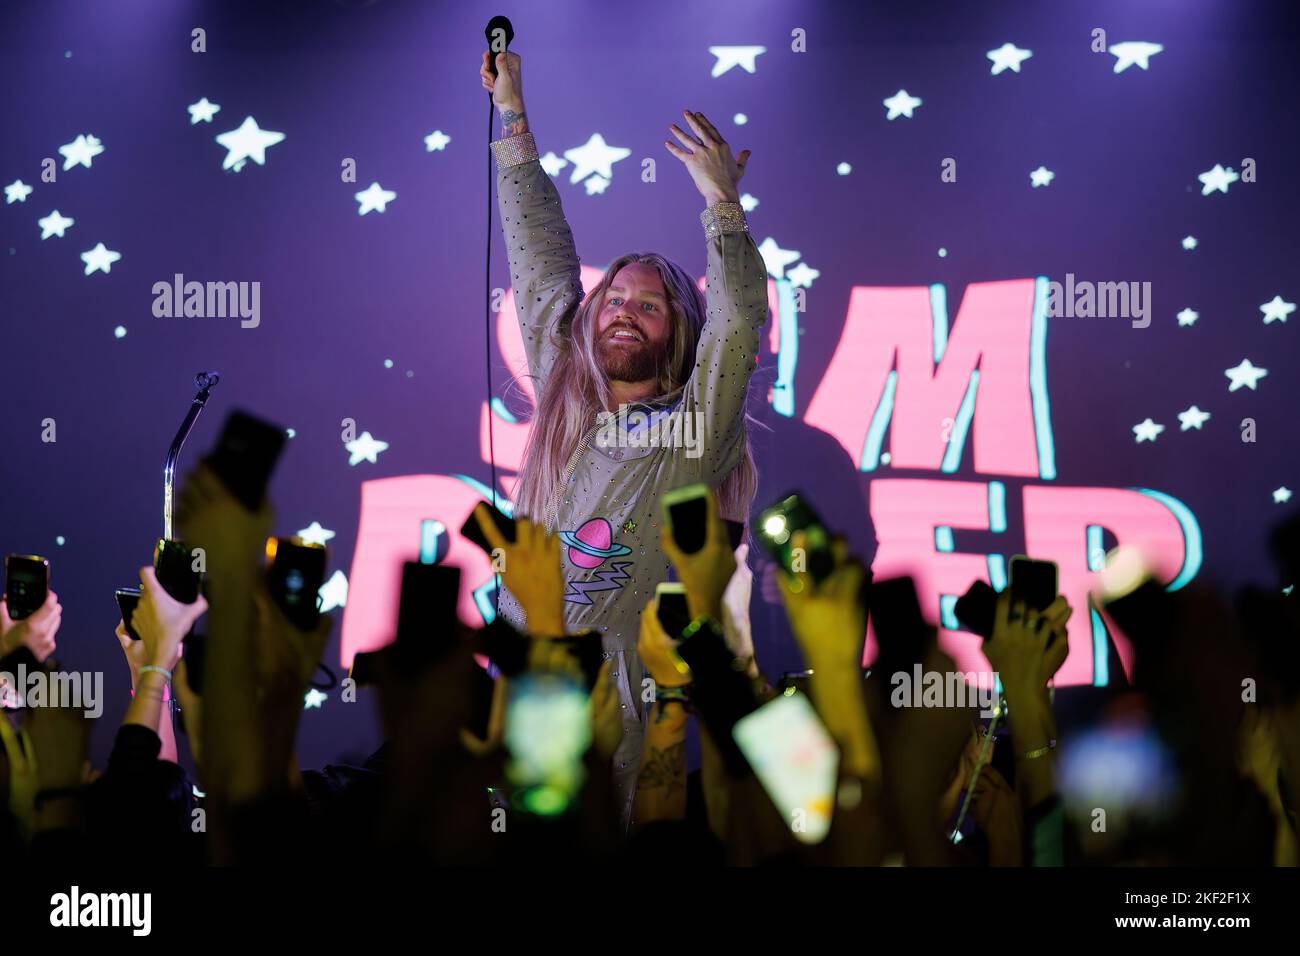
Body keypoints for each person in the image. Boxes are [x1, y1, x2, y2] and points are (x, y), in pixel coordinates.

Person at [479, 49, 769, 825]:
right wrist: (513, 115)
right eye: (614, 297)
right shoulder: (565, 393)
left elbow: (739, 323)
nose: (622, 311)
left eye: (648, 306)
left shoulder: (692, 431)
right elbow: (539, 260)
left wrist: (723, 210)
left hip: (604, 696)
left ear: (677, 335)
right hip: (512, 677)